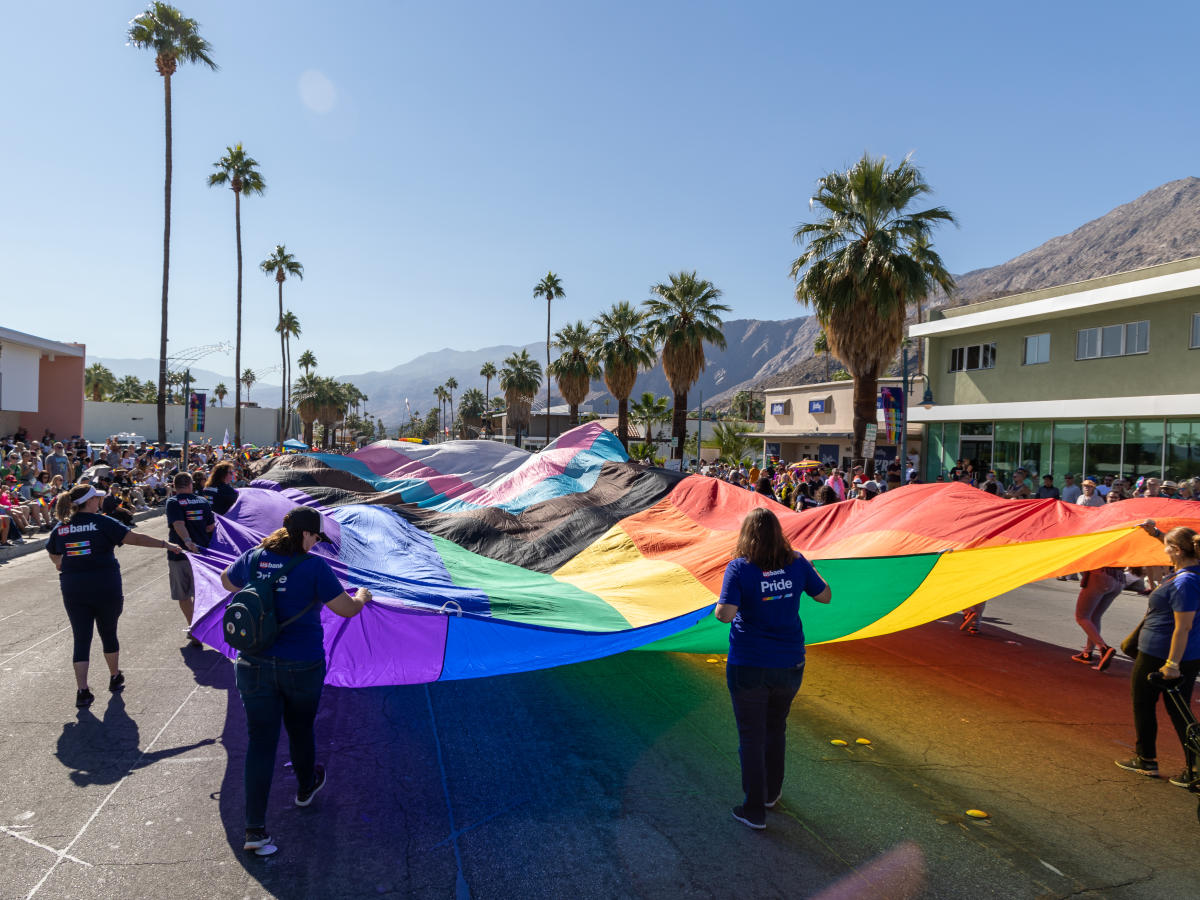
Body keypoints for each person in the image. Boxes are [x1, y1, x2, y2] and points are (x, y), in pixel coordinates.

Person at [219, 506, 372, 854]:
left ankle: (255, 831)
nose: (317, 542)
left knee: (260, 742)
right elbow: (346, 609)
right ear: (305, 533)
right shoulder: (315, 567)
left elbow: (227, 582)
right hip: (301, 665)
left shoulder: (255, 556)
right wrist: (362, 596)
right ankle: (305, 788)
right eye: (316, 536)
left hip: (254, 664)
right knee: (300, 728)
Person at [714, 507, 831, 830]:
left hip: (750, 663)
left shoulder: (739, 568)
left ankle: (754, 809)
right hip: (789, 663)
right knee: (775, 728)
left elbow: (725, 614)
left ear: (746, 535)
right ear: (779, 534)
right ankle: (770, 794)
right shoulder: (797, 562)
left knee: (751, 736)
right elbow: (825, 597)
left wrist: (719, 606)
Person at [46, 483, 174, 709]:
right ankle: (115, 676)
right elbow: (134, 538)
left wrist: (63, 562)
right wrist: (165, 544)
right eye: (97, 498)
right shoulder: (102, 522)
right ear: (90, 501)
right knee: (108, 632)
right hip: (106, 586)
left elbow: (54, 555)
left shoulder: (62, 527)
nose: (100, 501)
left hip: (74, 588)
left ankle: (82, 690)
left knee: (81, 638)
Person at [1115, 521, 1200, 786]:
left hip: (1163, 654)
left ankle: (1149, 760)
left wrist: (1172, 664)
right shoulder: (1191, 571)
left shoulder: (1185, 582)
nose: (1162, 551)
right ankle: (1191, 768)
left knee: (1147, 704)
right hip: (1175, 653)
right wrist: (1156, 534)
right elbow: (1179, 545)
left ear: (1175, 550)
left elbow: (1183, 627)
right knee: (1177, 710)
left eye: (1166, 547)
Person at [166, 472, 216, 647]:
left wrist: (187, 541)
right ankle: (199, 626)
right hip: (201, 556)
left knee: (184, 594)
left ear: (174, 485)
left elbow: (178, 524)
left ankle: (194, 627)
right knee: (201, 594)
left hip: (179, 554)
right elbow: (211, 526)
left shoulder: (173, 502)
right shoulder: (202, 501)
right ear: (191, 485)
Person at [1069, 568, 1123, 670]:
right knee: (1095, 617)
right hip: (1119, 579)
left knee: (1082, 617)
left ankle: (1104, 648)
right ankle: (1087, 653)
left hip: (1100, 575)